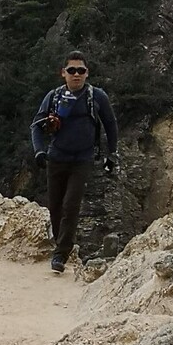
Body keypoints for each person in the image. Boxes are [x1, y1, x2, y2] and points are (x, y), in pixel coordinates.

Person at [30, 51, 120, 273]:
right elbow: (36, 126)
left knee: (71, 205)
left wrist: (112, 154)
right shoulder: (53, 97)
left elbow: (111, 124)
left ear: (87, 73)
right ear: (63, 73)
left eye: (81, 70)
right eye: (72, 70)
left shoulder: (97, 97)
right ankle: (60, 244)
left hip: (83, 159)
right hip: (57, 158)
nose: (76, 74)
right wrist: (39, 152)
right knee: (55, 206)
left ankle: (61, 253)